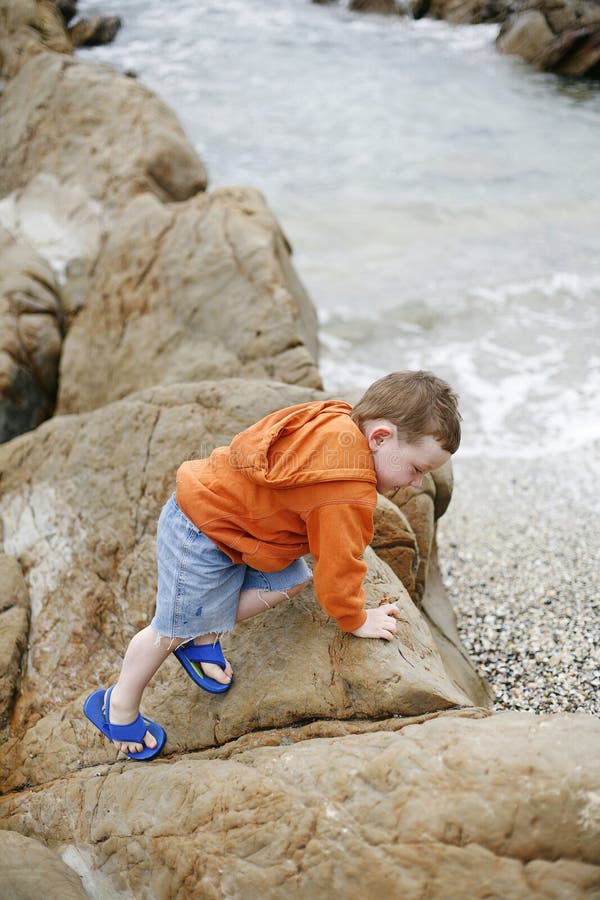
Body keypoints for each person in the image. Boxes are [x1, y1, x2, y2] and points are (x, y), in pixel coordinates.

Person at [84, 370, 461, 759]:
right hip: (201, 531)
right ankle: (118, 705)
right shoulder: (347, 492)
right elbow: (339, 565)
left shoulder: (338, 417)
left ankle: (200, 634)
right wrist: (356, 619)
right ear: (379, 437)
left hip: (236, 526)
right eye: (417, 469)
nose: (416, 484)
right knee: (168, 630)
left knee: (291, 580)